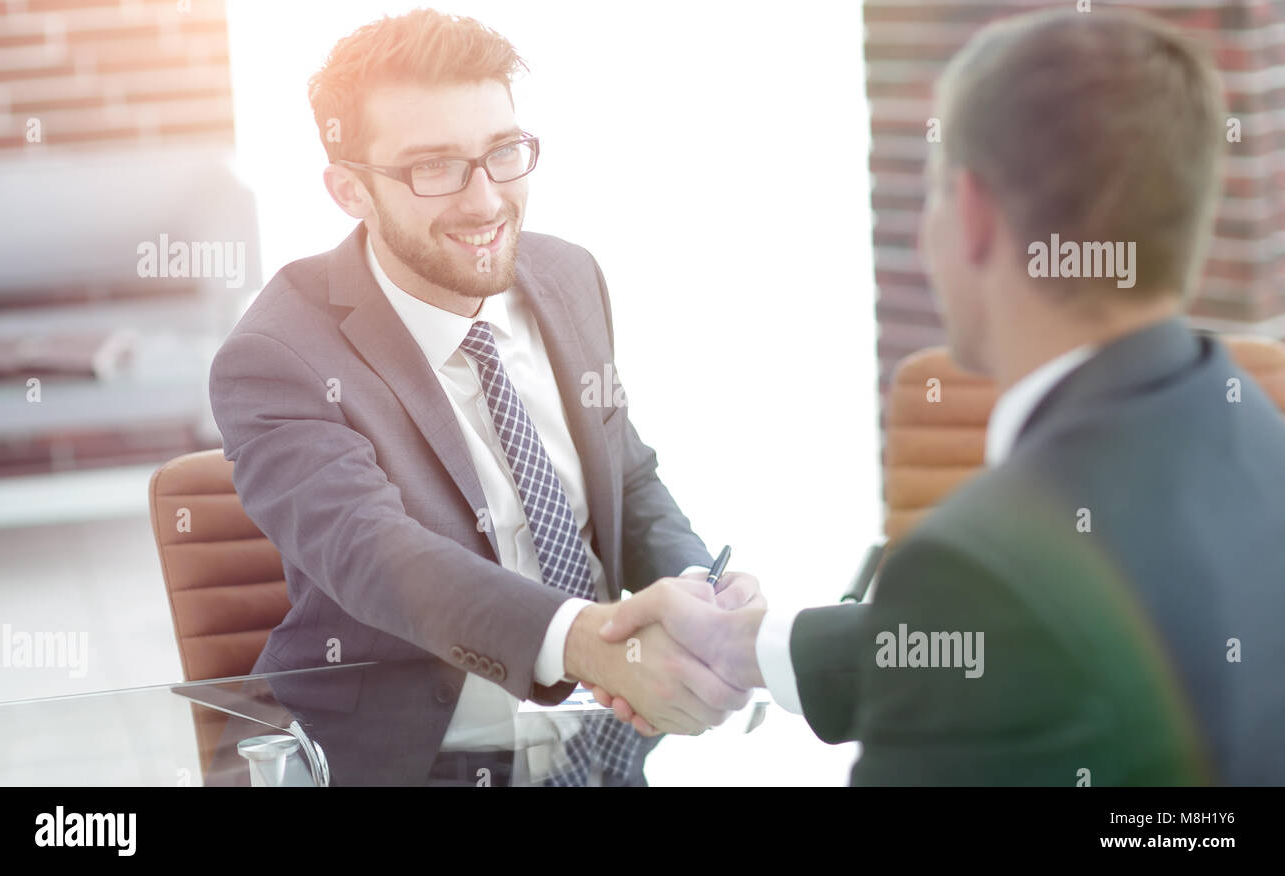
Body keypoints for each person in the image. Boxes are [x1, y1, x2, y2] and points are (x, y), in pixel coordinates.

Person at [596, 7, 1285, 785]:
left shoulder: (977, 566)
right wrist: (755, 647)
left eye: (930, 191)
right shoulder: (1251, 425)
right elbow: (1029, 648)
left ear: (974, 217)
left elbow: (1000, 624)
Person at [208, 7, 758, 786]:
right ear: (349, 191)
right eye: (434, 168)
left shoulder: (570, 278)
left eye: (503, 153)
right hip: (416, 761)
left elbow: (627, 478)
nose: (485, 201)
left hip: (603, 747)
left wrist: (702, 597)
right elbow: (375, 554)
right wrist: (588, 642)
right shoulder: (277, 356)